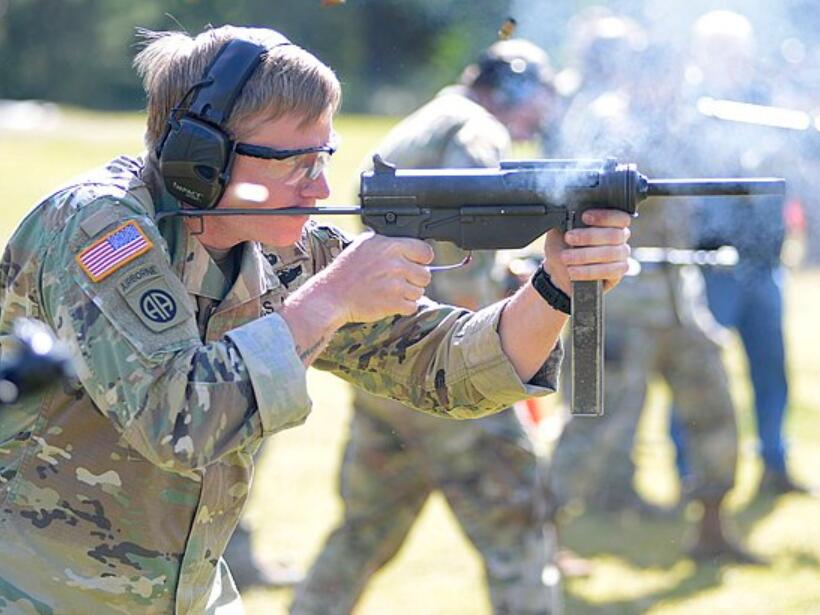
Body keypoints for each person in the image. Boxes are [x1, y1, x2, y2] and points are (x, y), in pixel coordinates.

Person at [0, 25, 632, 613]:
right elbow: (175, 418)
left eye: (323, 155)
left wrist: (556, 286)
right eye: (296, 163)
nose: (320, 185)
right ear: (200, 157)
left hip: (184, 594)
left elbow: (447, 370)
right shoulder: (97, 227)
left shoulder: (286, 246)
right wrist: (328, 301)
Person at [291, 39, 563, 615]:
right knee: (518, 531)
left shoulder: (421, 124)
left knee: (363, 531)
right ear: (511, 88)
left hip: (384, 363)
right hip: (445, 362)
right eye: (538, 96)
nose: (541, 114)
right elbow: (465, 244)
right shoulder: (477, 132)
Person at [549, 15, 757, 564]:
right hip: (618, 302)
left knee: (714, 406)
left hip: (679, 300)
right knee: (595, 425)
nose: (674, 89)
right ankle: (541, 538)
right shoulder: (608, 123)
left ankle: (712, 525)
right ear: (638, 80)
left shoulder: (683, 122)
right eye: (664, 79)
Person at [670, 9, 807, 496]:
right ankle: (693, 476)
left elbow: (795, 163)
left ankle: (775, 463)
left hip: (763, 260)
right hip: (709, 261)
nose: (732, 59)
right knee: (697, 372)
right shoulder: (684, 106)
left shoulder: (766, 101)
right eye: (720, 49)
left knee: (771, 370)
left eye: (738, 49)